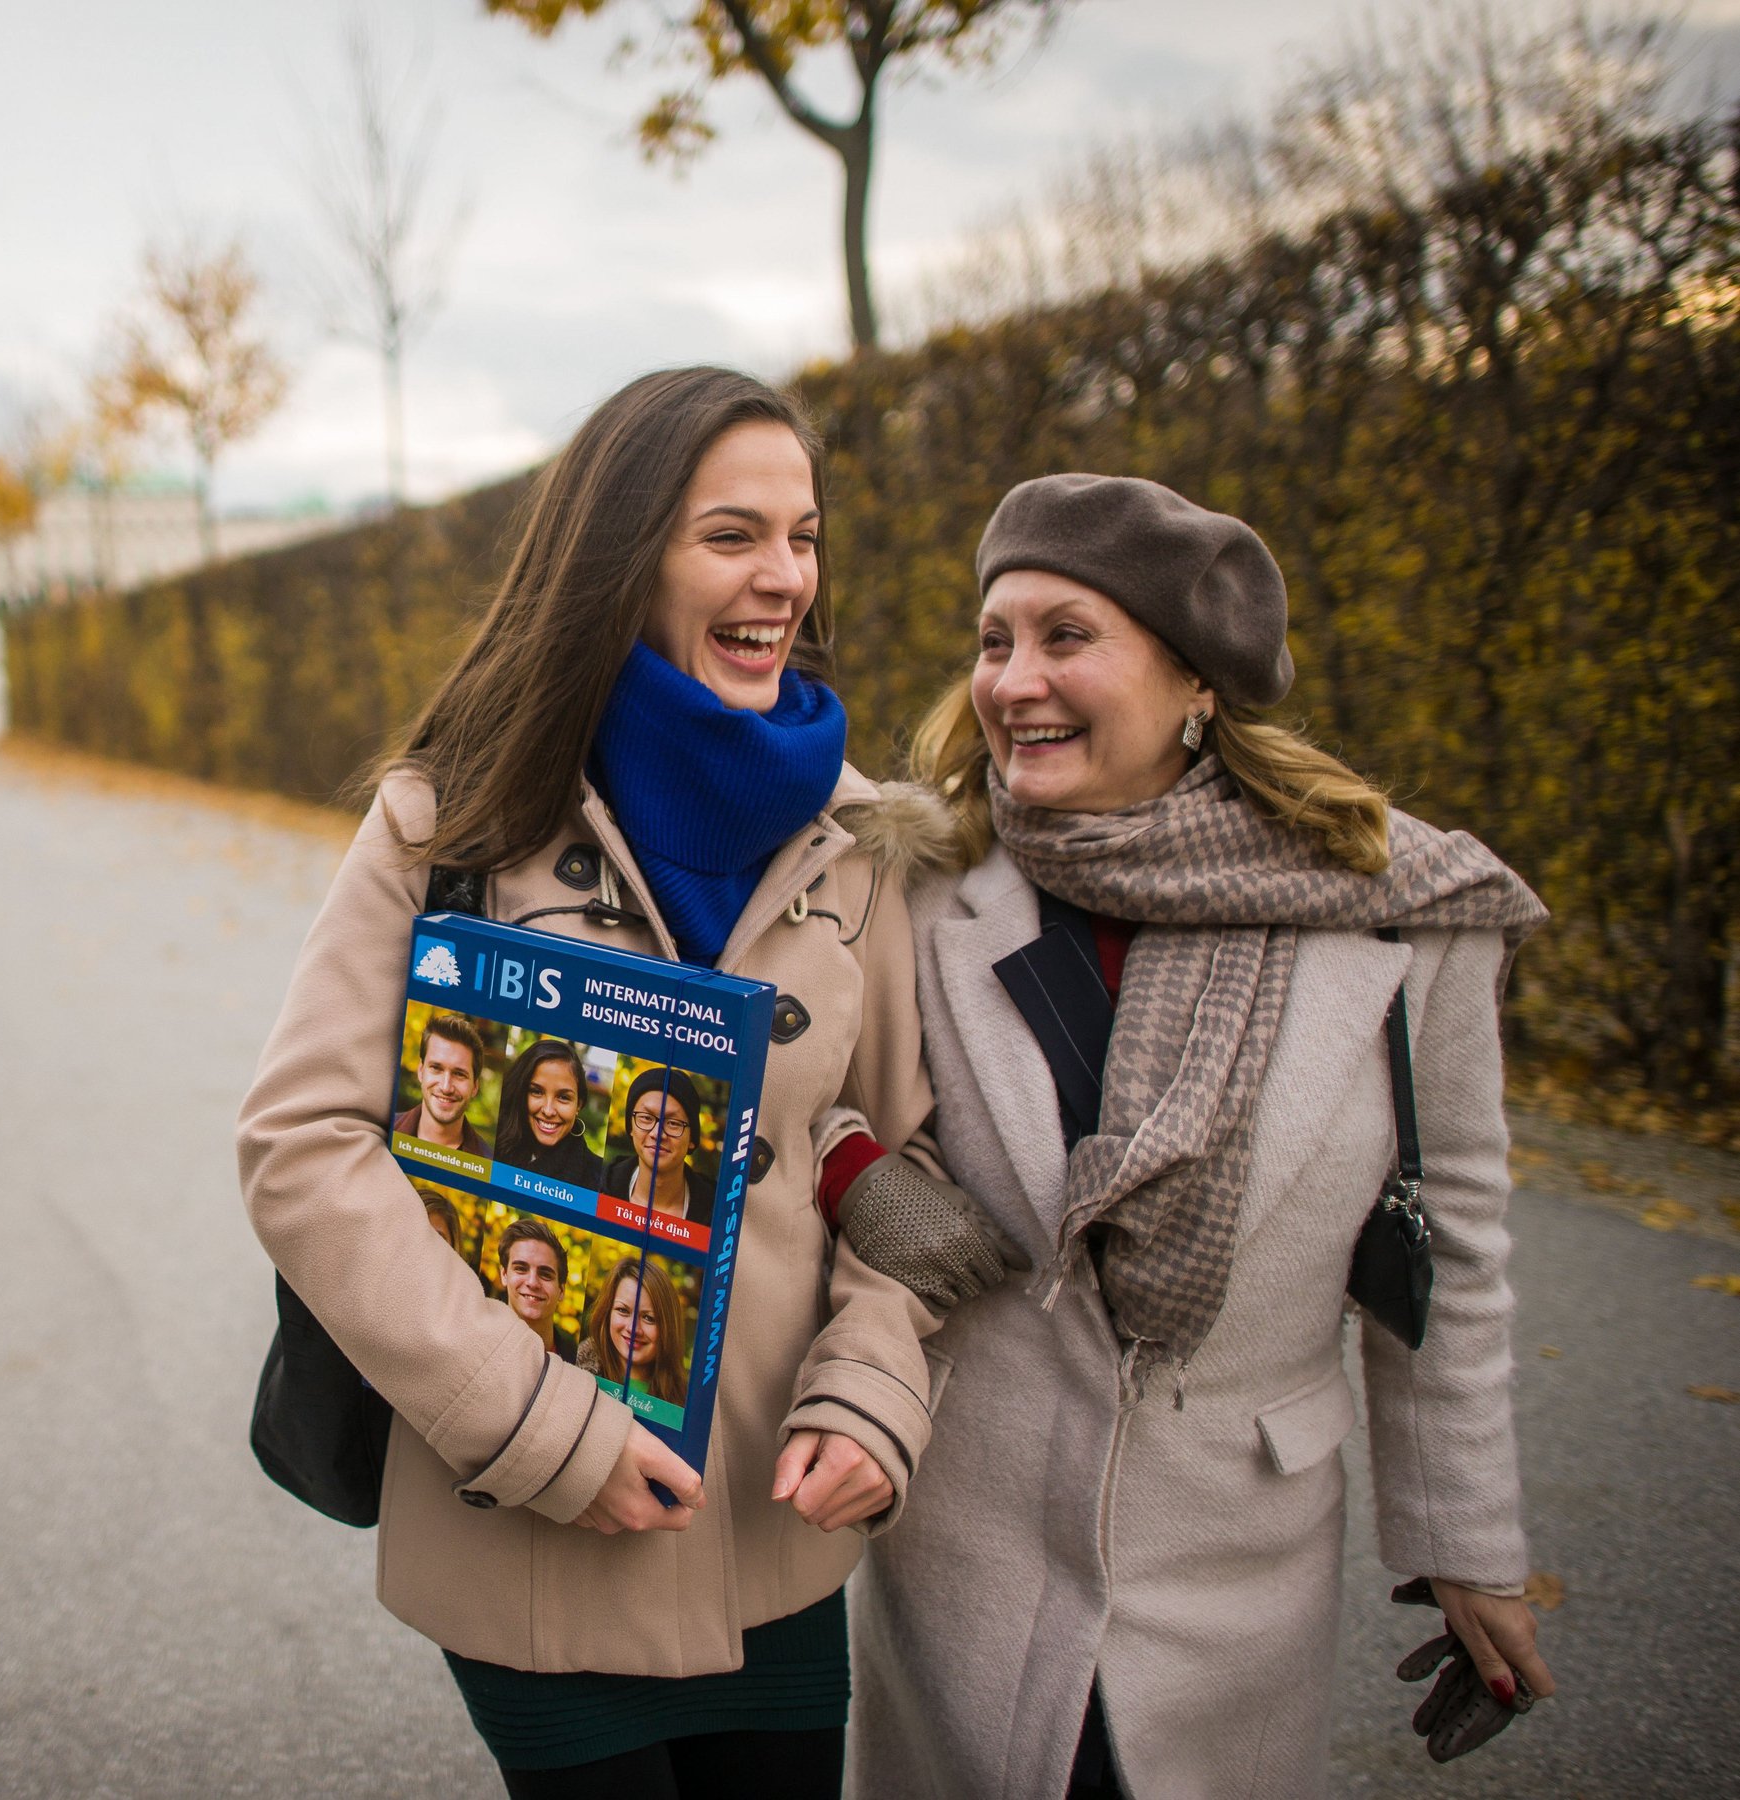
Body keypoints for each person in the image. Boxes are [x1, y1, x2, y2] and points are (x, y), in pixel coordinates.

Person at [239, 367, 1005, 1800]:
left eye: (804, 535)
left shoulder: (862, 845)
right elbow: (301, 1142)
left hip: (775, 1524)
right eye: (732, 535)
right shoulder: (446, 814)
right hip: (524, 1527)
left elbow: (914, 1166)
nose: (783, 576)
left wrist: (869, 1393)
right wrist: (533, 1426)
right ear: (622, 558)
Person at [841, 474, 1558, 1799]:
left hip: (1238, 1554)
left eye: (1068, 637)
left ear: (1196, 683)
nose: (1013, 680)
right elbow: (816, 1093)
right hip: (969, 1549)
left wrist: (1464, 1540)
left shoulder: (1402, 913)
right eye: (995, 640)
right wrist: (860, 1178)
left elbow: (1449, 1234)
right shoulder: (919, 884)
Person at [597, 1070, 716, 1226]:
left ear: (691, 1140)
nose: (658, 1134)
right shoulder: (598, 1188)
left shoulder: (717, 1213)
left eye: (673, 1123)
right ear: (631, 1127)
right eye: (646, 1118)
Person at [576, 1258, 689, 1410]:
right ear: (607, 1313)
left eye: (649, 1318)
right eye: (623, 1310)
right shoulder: (574, 1375)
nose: (634, 1329)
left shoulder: (686, 1404)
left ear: (667, 1328)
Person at [490, 1038, 603, 1188]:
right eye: (536, 1092)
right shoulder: (491, 1148)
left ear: (578, 1105)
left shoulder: (597, 1177)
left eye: (563, 1097)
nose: (548, 1111)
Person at [392, 1013, 490, 1157]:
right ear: (421, 1071)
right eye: (436, 1068)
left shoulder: (488, 1162)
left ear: (475, 1086)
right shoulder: (385, 1130)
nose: (446, 1087)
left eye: (459, 1074)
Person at [494, 1217, 580, 1362]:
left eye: (545, 1274)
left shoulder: (575, 1358)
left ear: (562, 1290)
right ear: (504, 1275)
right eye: (521, 1269)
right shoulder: (475, 1340)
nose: (532, 1283)